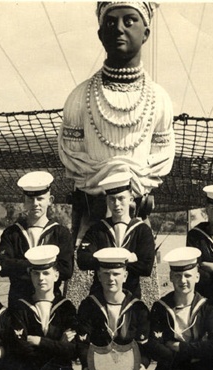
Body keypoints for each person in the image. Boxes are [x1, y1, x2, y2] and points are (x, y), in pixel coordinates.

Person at [59, 1, 175, 242]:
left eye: (129, 21)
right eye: (111, 22)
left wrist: (131, 188)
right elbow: (73, 158)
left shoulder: (160, 100)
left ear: (145, 33)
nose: (119, 29)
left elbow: (162, 157)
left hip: (137, 224)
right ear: (101, 34)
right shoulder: (79, 98)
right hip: (90, 222)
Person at [0, 171, 73, 306]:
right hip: (19, 301)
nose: (35, 203)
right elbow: (3, 265)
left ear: (50, 201)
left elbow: (66, 270)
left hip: (50, 302)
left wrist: (23, 268)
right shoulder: (12, 233)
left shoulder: (60, 233)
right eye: (30, 199)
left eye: (40, 199)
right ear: (24, 201)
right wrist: (33, 267)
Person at [77, 171, 155, 299]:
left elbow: (146, 268)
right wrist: (126, 258)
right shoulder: (97, 229)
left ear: (130, 198)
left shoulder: (142, 230)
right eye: (112, 199)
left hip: (130, 297)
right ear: (107, 200)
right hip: (99, 296)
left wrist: (102, 260)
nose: (117, 204)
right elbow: (83, 260)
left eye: (121, 198)